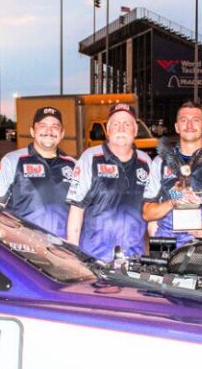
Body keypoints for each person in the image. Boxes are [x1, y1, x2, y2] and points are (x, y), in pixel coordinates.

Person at [141, 101, 202, 247]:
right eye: (184, 120)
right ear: (176, 127)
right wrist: (173, 200)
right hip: (166, 248)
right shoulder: (160, 162)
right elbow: (147, 213)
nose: (190, 125)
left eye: (196, 120)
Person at [65, 103, 153, 262]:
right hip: (94, 259)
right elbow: (76, 209)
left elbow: (152, 212)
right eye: (116, 124)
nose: (121, 128)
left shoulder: (146, 162)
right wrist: (73, 255)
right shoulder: (90, 158)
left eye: (127, 124)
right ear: (108, 129)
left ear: (134, 130)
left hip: (134, 260)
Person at [0, 106, 77, 236]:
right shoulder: (12, 161)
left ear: (62, 133)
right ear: (32, 131)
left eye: (55, 126)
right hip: (23, 249)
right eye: (43, 125)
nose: (49, 131)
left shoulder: (74, 166)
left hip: (61, 251)